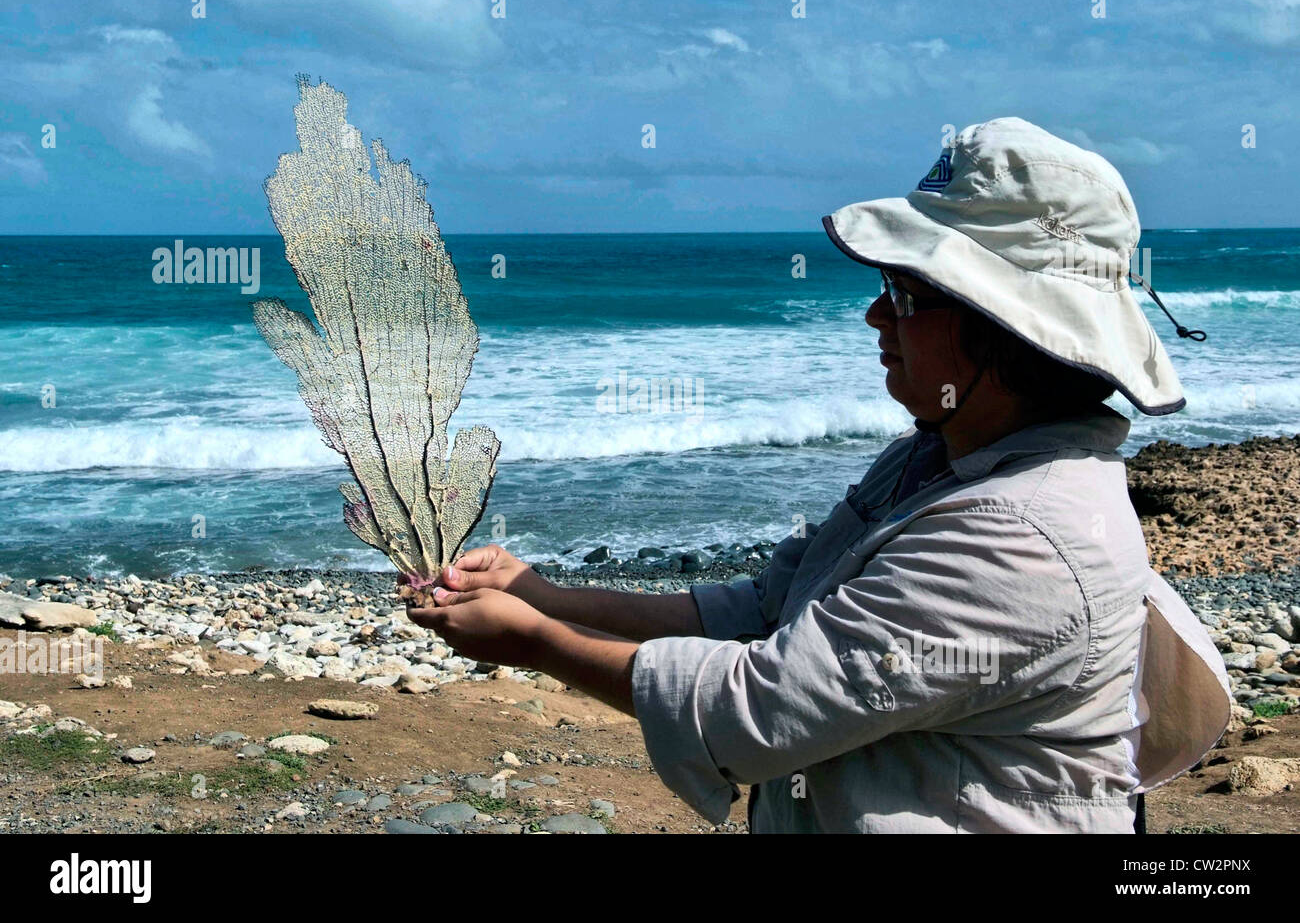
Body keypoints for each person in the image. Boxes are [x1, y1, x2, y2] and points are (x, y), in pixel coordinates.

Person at [401, 118, 1232, 832]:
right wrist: (544, 594)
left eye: (906, 293)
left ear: (1001, 331)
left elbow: (757, 710)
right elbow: (765, 610)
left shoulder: (1021, 536)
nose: (876, 313)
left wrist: (530, 640)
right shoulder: (937, 458)